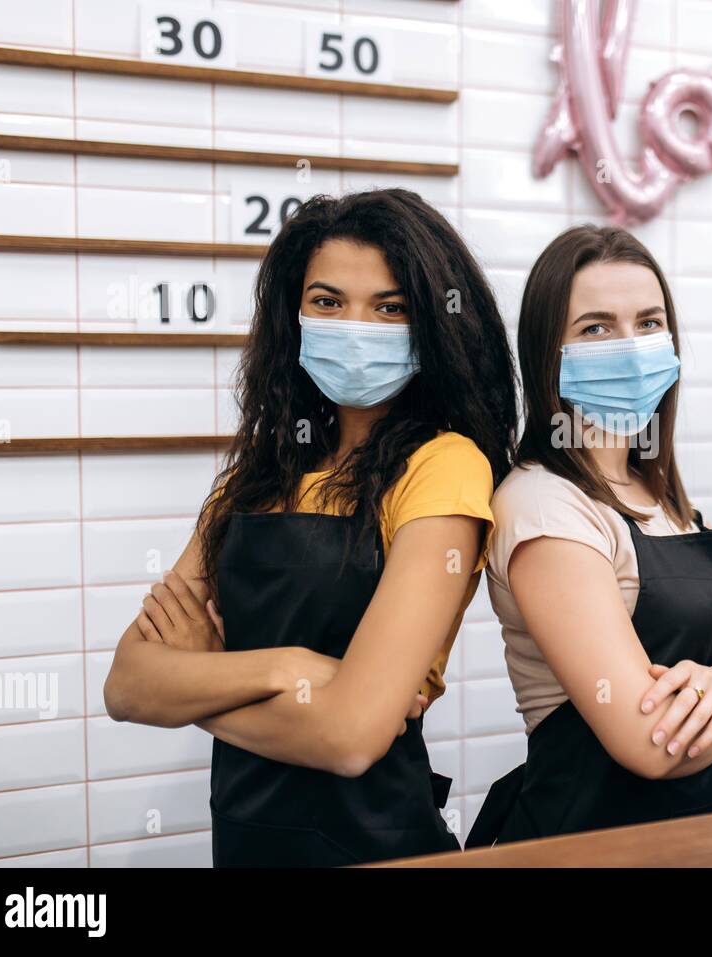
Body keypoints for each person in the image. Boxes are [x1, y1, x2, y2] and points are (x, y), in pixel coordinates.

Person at [103, 188, 518, 866]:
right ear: (293, 317)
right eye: (328, 302)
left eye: (391, 307)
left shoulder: (444, 466)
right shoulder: (255, 477)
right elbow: (126, 684)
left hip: (378, 844)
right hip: (244, 845)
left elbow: (351, 736)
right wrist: (294, 669)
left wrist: (194, 685)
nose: (357, 326)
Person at [467, 225, 712, 846]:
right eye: (595, 328)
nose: (629, 346)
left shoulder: (664, 498)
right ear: (549, 354)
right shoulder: (545, 506)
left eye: (649, 323)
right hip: (585, 845)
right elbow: (651, 745)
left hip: (692, 841)